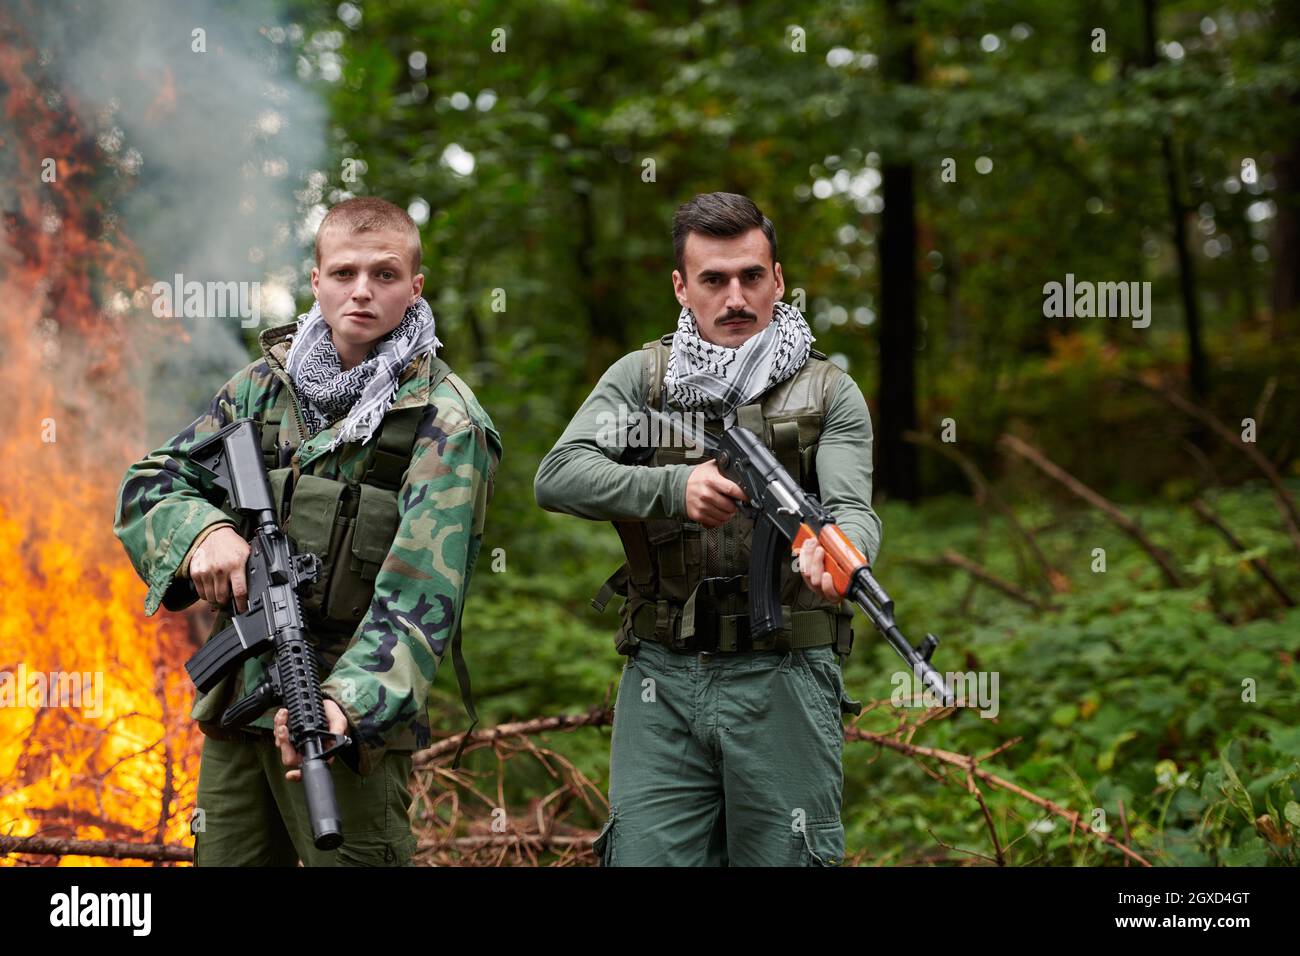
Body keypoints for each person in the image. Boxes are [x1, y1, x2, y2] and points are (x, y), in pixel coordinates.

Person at [115, 197, 501, 866]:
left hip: (347, 732)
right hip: (238, 706)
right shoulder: (264, 389)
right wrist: (204, 534)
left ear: (415, 287)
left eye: (384, 275)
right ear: (315, 279)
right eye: (344, 272)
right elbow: (149, 485)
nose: (361, 291)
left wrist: (342, 707)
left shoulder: (445, 421)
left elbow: (420, 602)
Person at [534, 191, 882, 866]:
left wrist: (844, 554)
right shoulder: (643, 381)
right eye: (713, 280)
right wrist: (672, 488)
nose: (736, 297)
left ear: (779, 279)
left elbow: (852, 508)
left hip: (787, 673)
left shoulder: (828, 392)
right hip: (664, 675)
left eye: (752, 276)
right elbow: (559, 474)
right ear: (681, 286)